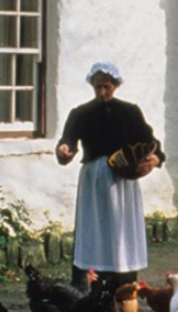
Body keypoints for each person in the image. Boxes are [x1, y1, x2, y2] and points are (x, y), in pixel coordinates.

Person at [56, 62, 164, 290]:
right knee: (93, 226)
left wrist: (155, 159)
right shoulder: (81, 113)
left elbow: (150, 141)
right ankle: (88, 280)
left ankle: (123, 280)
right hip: (94, 176)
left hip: (123, 178)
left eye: (106, 86)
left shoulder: (130, 112)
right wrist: (64, 151)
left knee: (121, 225)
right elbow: (68, 141)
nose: (102, 92)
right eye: (97, 87)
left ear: (115, 85)